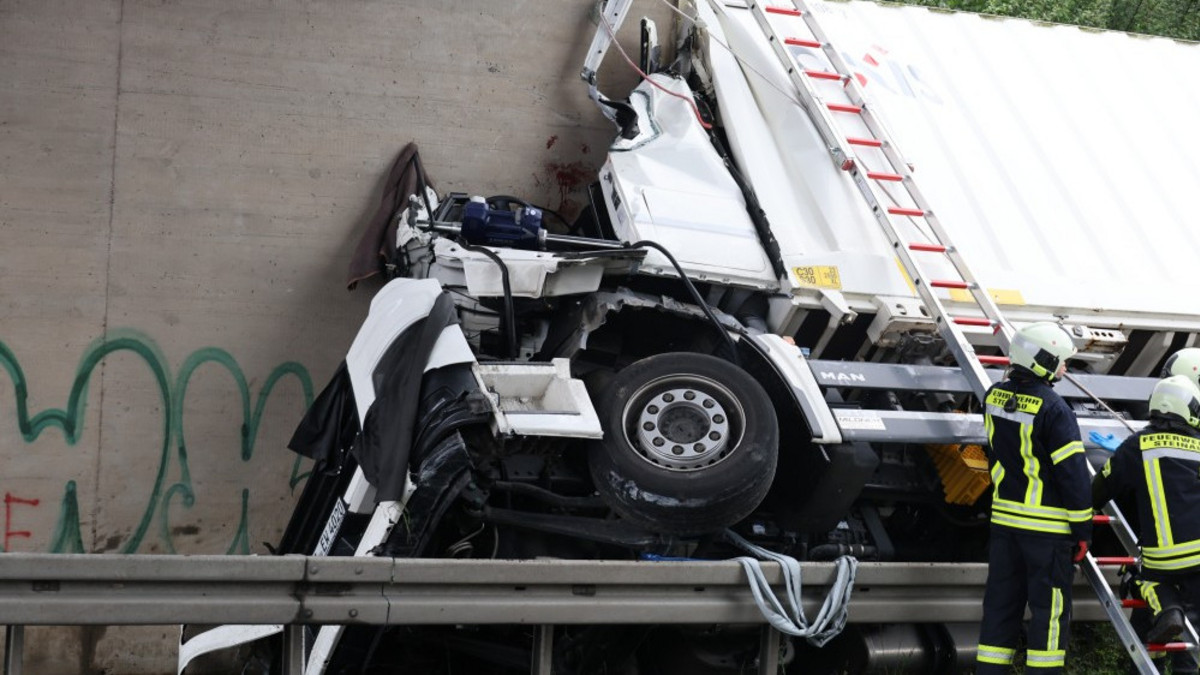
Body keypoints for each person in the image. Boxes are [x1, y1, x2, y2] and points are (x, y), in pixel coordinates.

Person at [976, 322, 1093, 674]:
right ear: (1042, 360)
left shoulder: (993, 396)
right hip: (1048, 530)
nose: (1065, 368)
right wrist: (1083, 528)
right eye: (1061, 361)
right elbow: (1072, 474)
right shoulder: (1055, 409)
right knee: (1050, 612)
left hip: (1005, 524)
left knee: (1000, 606)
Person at [1093, 374, 1200, 673]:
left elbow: (1101, 489)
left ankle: (1168, 609)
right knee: (1196, 634)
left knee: (1143, 578)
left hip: (1162, 559)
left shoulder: (1136, 445)